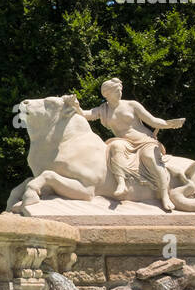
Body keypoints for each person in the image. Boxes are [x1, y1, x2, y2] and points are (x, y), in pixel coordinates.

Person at [69, 78, 184, 211]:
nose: (120, 93)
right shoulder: (103, 109)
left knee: (150, 159)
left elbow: (153, 121)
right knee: (115, 146)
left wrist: (168, 124)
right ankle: (121, 183)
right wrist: (76, 106)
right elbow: (85, 114)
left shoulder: (132, 105)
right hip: (125, 142)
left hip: (145, 141)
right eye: (117, 91)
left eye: (120, 90)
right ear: (107, 93)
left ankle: (165, 196)